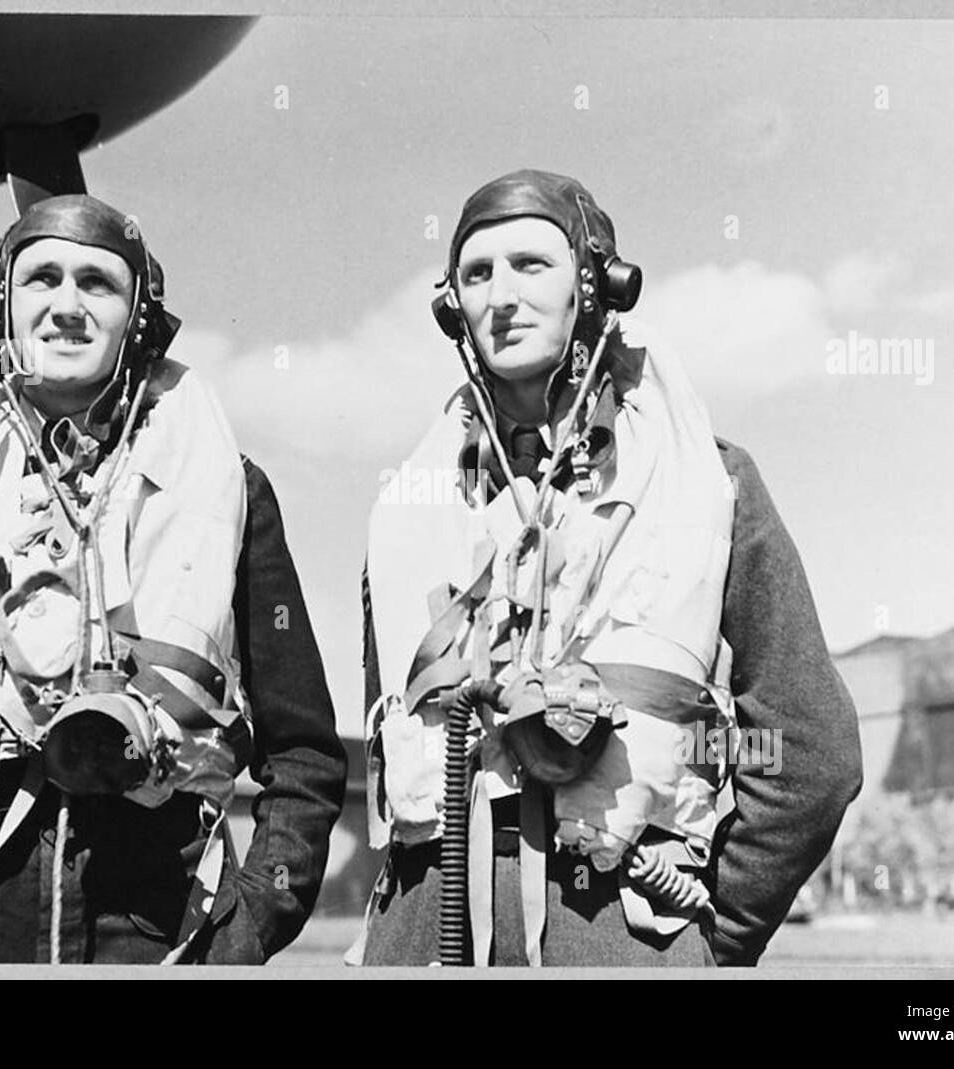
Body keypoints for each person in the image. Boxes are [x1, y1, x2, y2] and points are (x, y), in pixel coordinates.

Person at [0, 194, 347, 964]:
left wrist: (250, 923)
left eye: (96, 283)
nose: (65, 305)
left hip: (157, 930)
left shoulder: (229, 488)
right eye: (42, 280)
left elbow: (304, 755)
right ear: (0, 306)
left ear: (137, 318)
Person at [356, 169, 862, 967]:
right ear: (452, 305)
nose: (501, 296)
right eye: (477, 273)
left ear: (593, 289)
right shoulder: (406, 508)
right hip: (424, 935)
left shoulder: (714, 480)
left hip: (617, 930)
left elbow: (811, 753)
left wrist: (704, 930)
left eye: (531, 264)